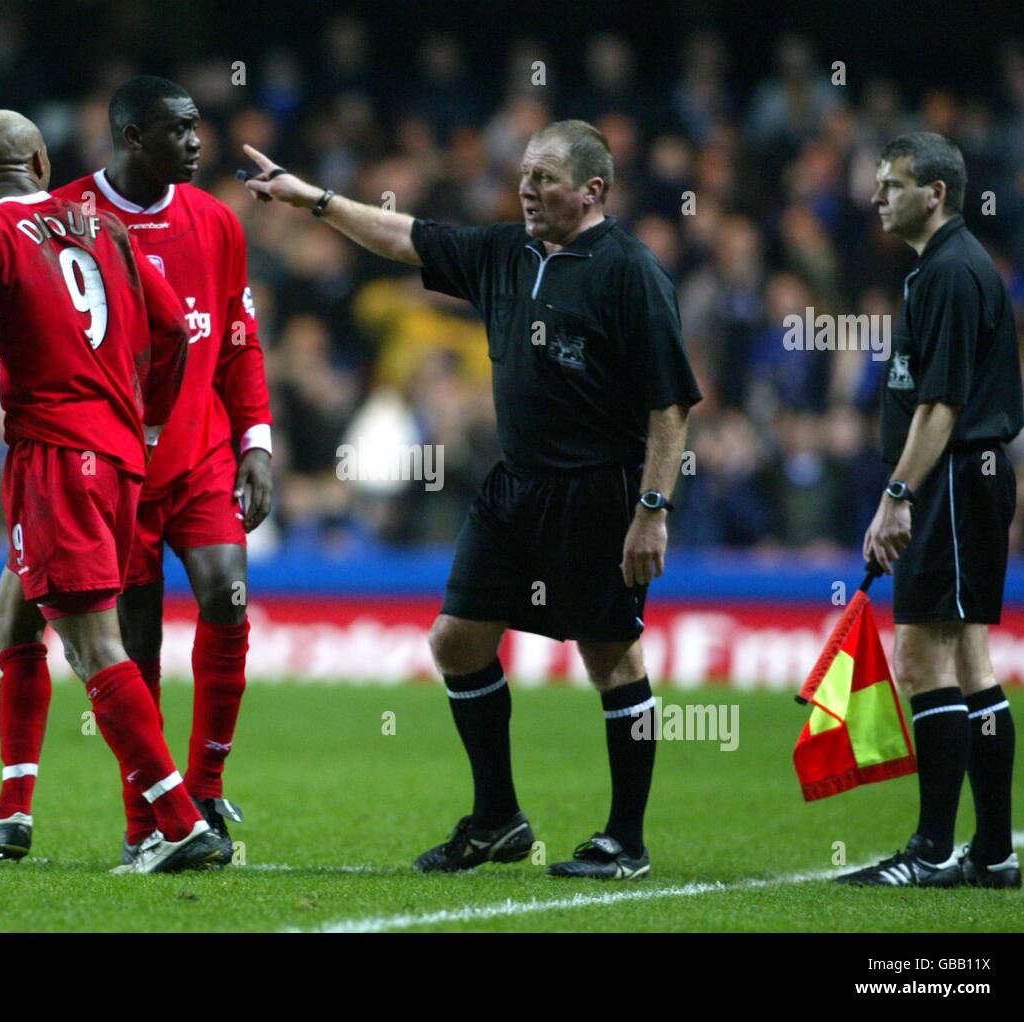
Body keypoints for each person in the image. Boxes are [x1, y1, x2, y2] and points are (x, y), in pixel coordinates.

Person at [241, 119, 701, 879]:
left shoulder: (630, 271)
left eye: (544, 177)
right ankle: (498, 819)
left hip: (597, 491)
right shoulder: (504, 252)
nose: (526, 187)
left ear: (592, 190)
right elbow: (403, 237)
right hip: (513, 484)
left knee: (611, 657)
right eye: (523, 173)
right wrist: (314, 199)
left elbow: (671, 406)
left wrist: (652, 510)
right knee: (457, 641)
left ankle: (626, 840)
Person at [0, 109, 222, 874]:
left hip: (56, 456)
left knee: (93, 647)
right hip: (119, 458)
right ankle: (11, 812)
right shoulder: (102, 227)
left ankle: (181, 824)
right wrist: (146, 424)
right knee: (12, 619)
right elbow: (177, 333)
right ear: (43, 163)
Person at [0, 76, 274, 866]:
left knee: (226, 592)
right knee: (127, 650)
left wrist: (255, 442)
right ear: (132, 138)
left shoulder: (215, 223)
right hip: (111, 470)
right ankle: (145, 825)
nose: (197, 142)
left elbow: (237, 340)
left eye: (197, 127)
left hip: (195, 455)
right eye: (179, 130)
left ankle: (205, 787)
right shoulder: (67, 216)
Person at [838, 132, 1023, 888]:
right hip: (972, 477)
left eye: (891, 185)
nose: (877, 196)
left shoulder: (947, 272)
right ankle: (993, 853)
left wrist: (896, 498)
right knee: (971, 661)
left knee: (920, 659)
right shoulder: (950, 268)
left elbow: (941, 405)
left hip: (950, 479)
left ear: (934, 193)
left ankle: (934, 848)